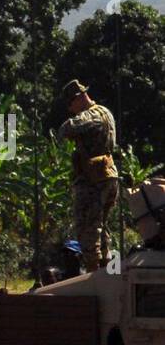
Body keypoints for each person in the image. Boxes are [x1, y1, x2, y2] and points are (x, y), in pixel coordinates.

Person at [58, 79, 119, 272]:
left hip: (94, 180)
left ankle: (94, 274)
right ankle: (108, 269)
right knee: (102, 229)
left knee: (87, 230)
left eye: (71, 104)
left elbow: (67, 128)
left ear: (78, 98)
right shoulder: (106, 112)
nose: (71, 110)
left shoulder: (91, 114)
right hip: (108, 176)